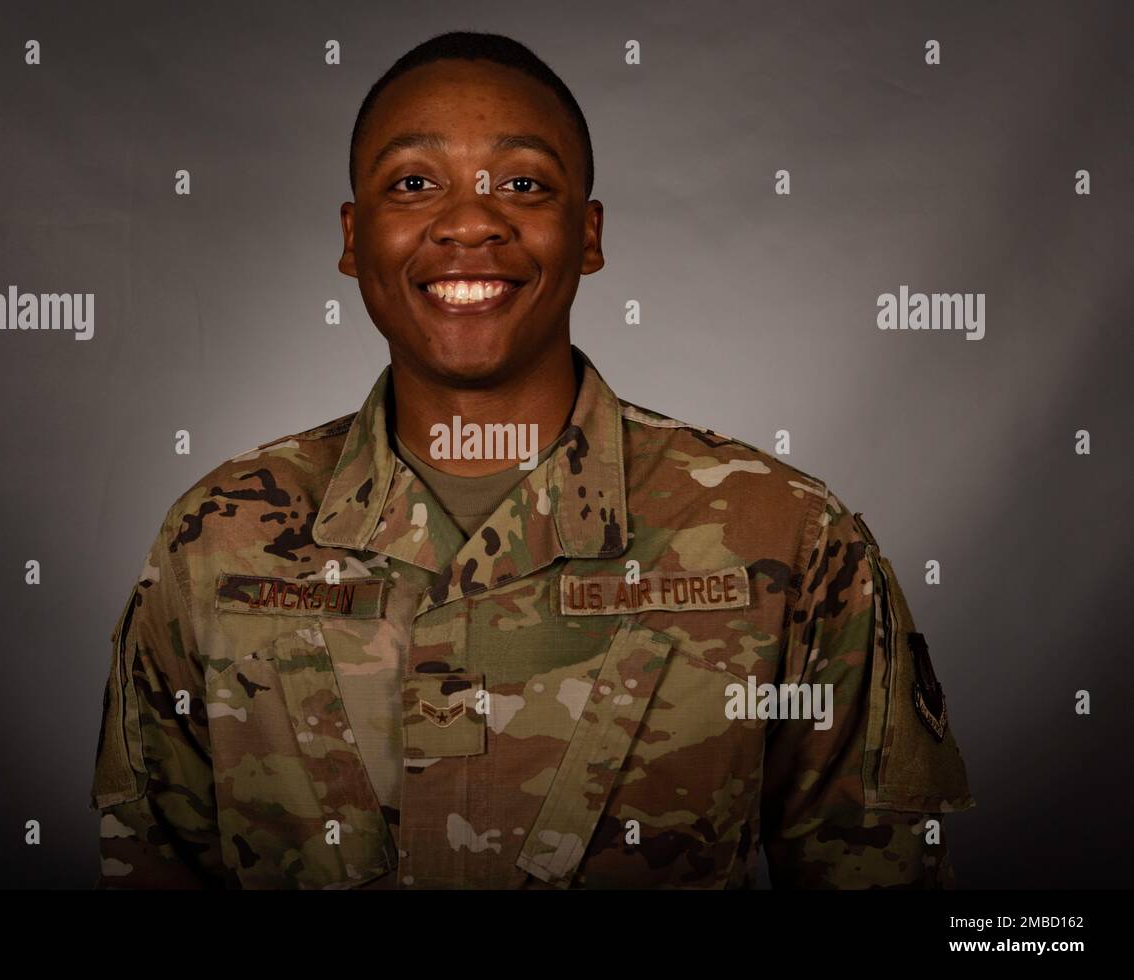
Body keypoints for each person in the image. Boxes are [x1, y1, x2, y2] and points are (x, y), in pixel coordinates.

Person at [89, 30, 973, 889]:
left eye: (521, 182)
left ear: (587, 234)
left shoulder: (789, 538)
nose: (470, 221)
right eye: (413, 182)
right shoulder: (217, 541)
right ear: (354, 240)